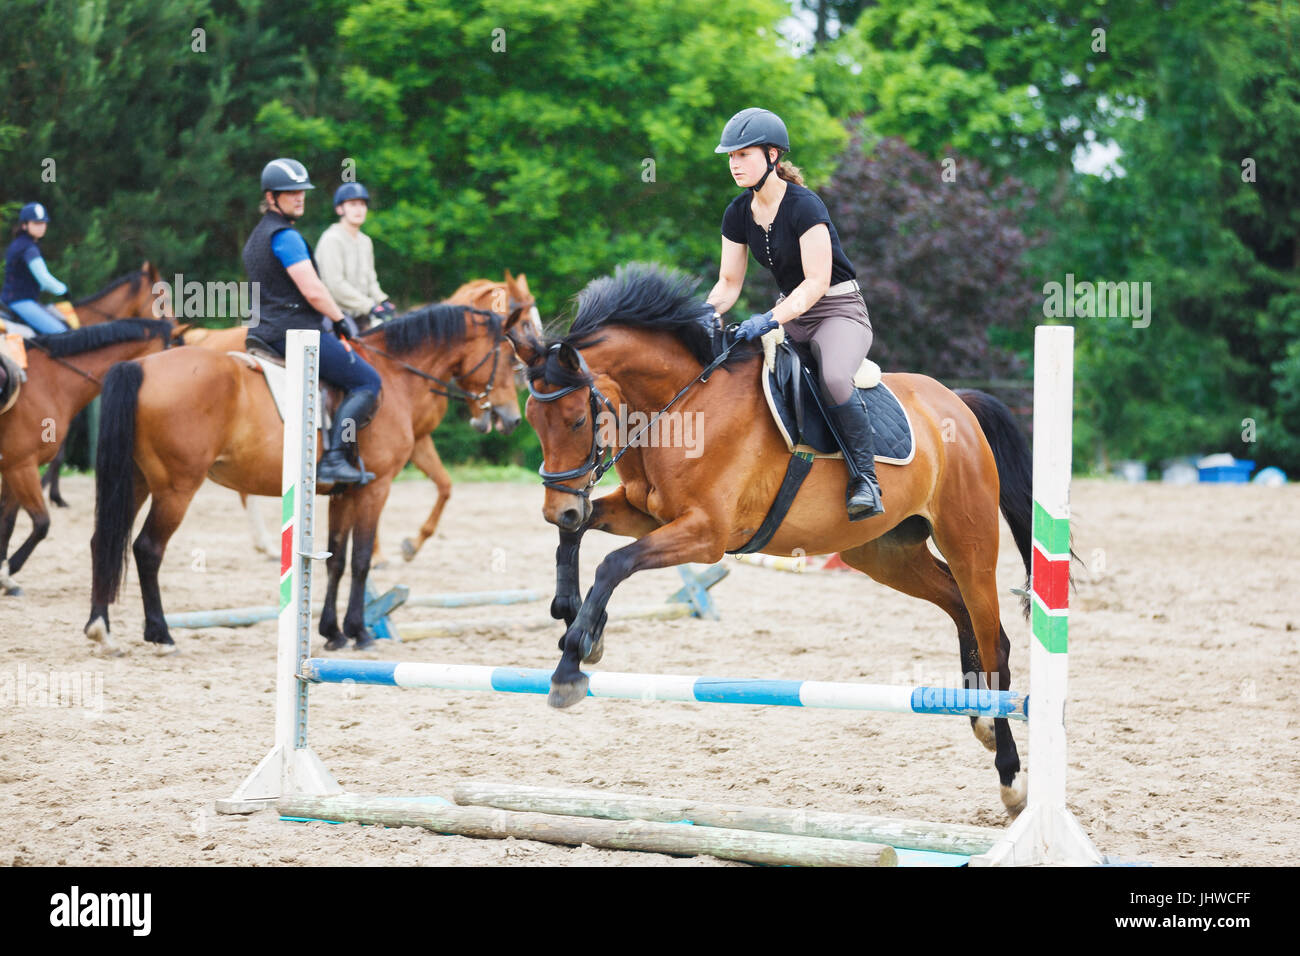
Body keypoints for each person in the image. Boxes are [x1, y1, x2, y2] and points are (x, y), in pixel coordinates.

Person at [705, 107, 883, 520]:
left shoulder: (805, 205)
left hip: (838, 311)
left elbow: (817, 282)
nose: (734, 164)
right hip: (792, 315)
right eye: (730, 157)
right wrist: (703, 311)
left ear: (771, 156)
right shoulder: (736, 213)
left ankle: (866, 480)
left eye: (743, 155)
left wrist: (769, 318)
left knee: (835, 377)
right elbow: (729, 284)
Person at [242, 158, 382, 484]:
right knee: (367, 382)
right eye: (291, 192)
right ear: (271, 196)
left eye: (302, 191)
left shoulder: (256, 237)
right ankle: (335, 458)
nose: (300, 197)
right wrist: (340, 319)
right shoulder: (285, 236)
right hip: (296, 332)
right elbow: (314, 290)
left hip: (264, 330)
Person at [315, 182, 395, 331]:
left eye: (362, 204)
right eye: (352, 204)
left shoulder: (365, 241)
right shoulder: (332, 239)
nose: (359, 209)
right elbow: (336, 285)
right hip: (335, 315)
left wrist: (382, 300)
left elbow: (371, 280)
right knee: (352, 352)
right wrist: (369, 305)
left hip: (362, 314)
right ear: (339, 209)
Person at [1, 203, 71, 334]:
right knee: (61, 333)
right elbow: (43, 279)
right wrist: (63, 290)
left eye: (43, 223)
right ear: (24, 225)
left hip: (16, 299)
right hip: (20, 302)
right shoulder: (29, 248)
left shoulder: (20, 243)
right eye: (36, 223)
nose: (41, 227)